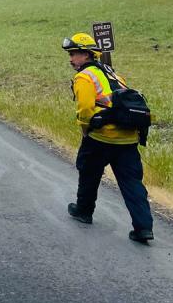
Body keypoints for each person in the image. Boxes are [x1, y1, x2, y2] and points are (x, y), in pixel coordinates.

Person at [62, 33, 154, 243]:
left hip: (101, 137)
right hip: (128, 138)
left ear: (86, 55)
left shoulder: (84, 76)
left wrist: (85, 129)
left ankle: (84, 211)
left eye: (74, 54)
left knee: (88, 172)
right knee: (132, 183)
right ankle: (144, 228)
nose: (71, 59)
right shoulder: (112, 73)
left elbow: (85, 108)